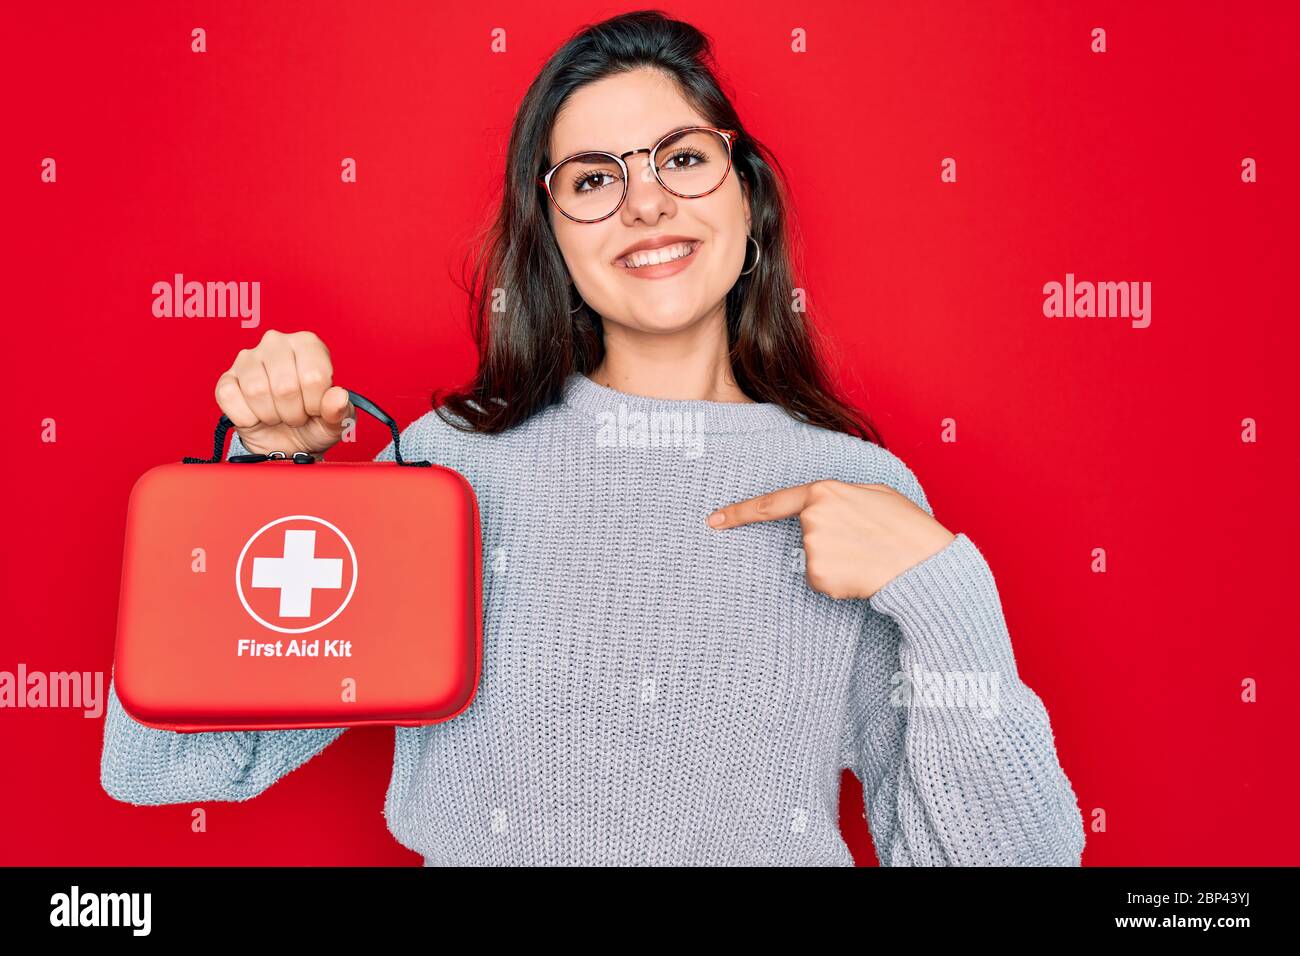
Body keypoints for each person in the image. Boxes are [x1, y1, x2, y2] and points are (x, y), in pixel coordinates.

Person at [101, 9, 1086, 866]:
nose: (646, 202)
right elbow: (165, 765)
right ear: (552, 232)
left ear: (747, 190)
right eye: (591, 181)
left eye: (683, 159)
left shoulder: (851, 492)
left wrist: (946, 586)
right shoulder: (448, 471)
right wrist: (263, 483)